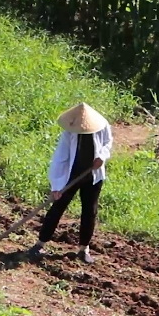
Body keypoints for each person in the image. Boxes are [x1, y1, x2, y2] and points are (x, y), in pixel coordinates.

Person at [28, 102, 113, 264]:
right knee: (58, 206)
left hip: (92, 175)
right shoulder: (70, 132)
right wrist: (56, 185)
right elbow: (60, 158)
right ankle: (40, 243)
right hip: (71, 174)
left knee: (89, 211)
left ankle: (84, 249)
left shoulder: (102, 125)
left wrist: (101, 157)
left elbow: (108, 142)